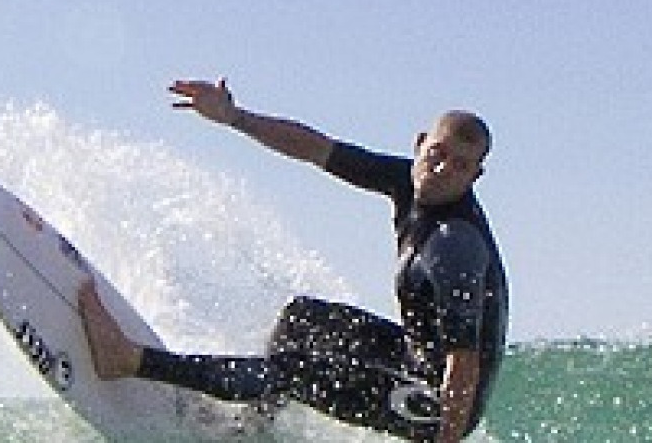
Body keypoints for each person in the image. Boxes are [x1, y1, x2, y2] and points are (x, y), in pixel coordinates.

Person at [79, 78, 508, 442]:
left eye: (460, 165)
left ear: (475, 176)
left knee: (291, 372)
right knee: (301, 318)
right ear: (419, 145)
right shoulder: (405, 180)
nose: (442, 169)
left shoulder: (455, 246)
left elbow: (463, 362)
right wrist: (235, 117)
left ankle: (129, 360)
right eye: (437, 154)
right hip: (415, 355)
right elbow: (316, 149)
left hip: (442, 403)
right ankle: (251, 427)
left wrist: (446, 437)